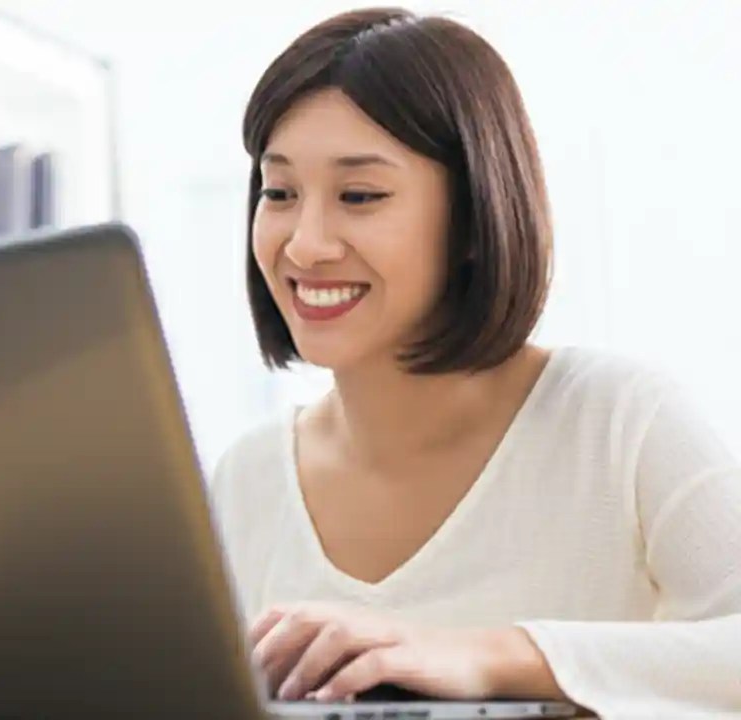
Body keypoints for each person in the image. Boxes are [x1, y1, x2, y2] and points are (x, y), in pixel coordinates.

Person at [209, 7, 741, 718]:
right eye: (280, 193)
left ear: (472, 216)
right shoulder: (247, 480)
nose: (304, 245)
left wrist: (494, 657)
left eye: (359, 195)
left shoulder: (619, 422)